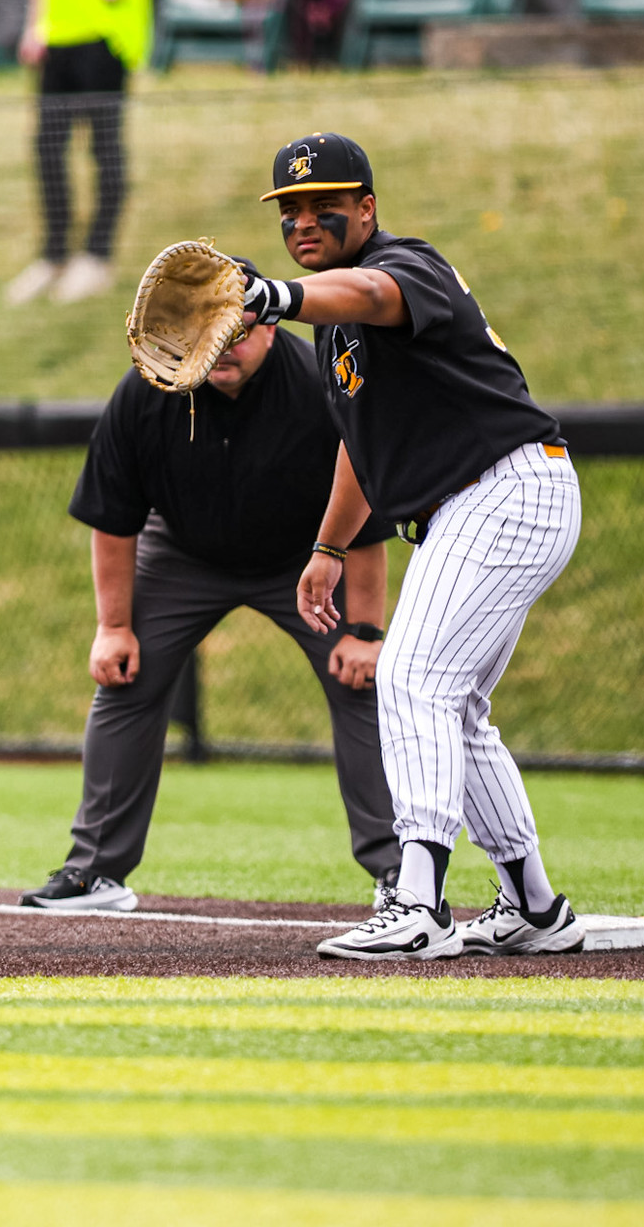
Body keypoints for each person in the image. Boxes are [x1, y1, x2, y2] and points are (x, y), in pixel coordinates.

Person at [237, 132, 586, 960]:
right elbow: (362, 441)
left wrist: (279, 298)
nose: (305, 221)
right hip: (481, 503)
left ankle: (420, 902)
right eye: (289, 210)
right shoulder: (333, 326)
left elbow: (369, 290)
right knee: (454, 706)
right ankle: (535, 908)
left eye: (326, 204)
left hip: (503, 490)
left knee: (409, 677)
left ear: (367, 207)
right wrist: (327, 546)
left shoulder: (405, 265)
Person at [21, 313, 401, 912]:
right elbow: (114, 518)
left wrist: (365, 632)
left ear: (273, 330)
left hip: (307, 559)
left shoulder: (317, 384)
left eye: (240, 333)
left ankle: (398, 876)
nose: (224, 348)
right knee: (126, 675)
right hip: (183, 553)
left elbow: (369, 516)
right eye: (211, 336)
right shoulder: (149, 388)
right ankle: (94, 872)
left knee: (363, 681)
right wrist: (113, 627)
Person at [4, 0, 196, 307]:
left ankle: (96, 256)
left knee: (104, 146)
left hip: (107, 39)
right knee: (47, 147)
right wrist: (34, 28)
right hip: (56, 39)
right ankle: (54, 255)